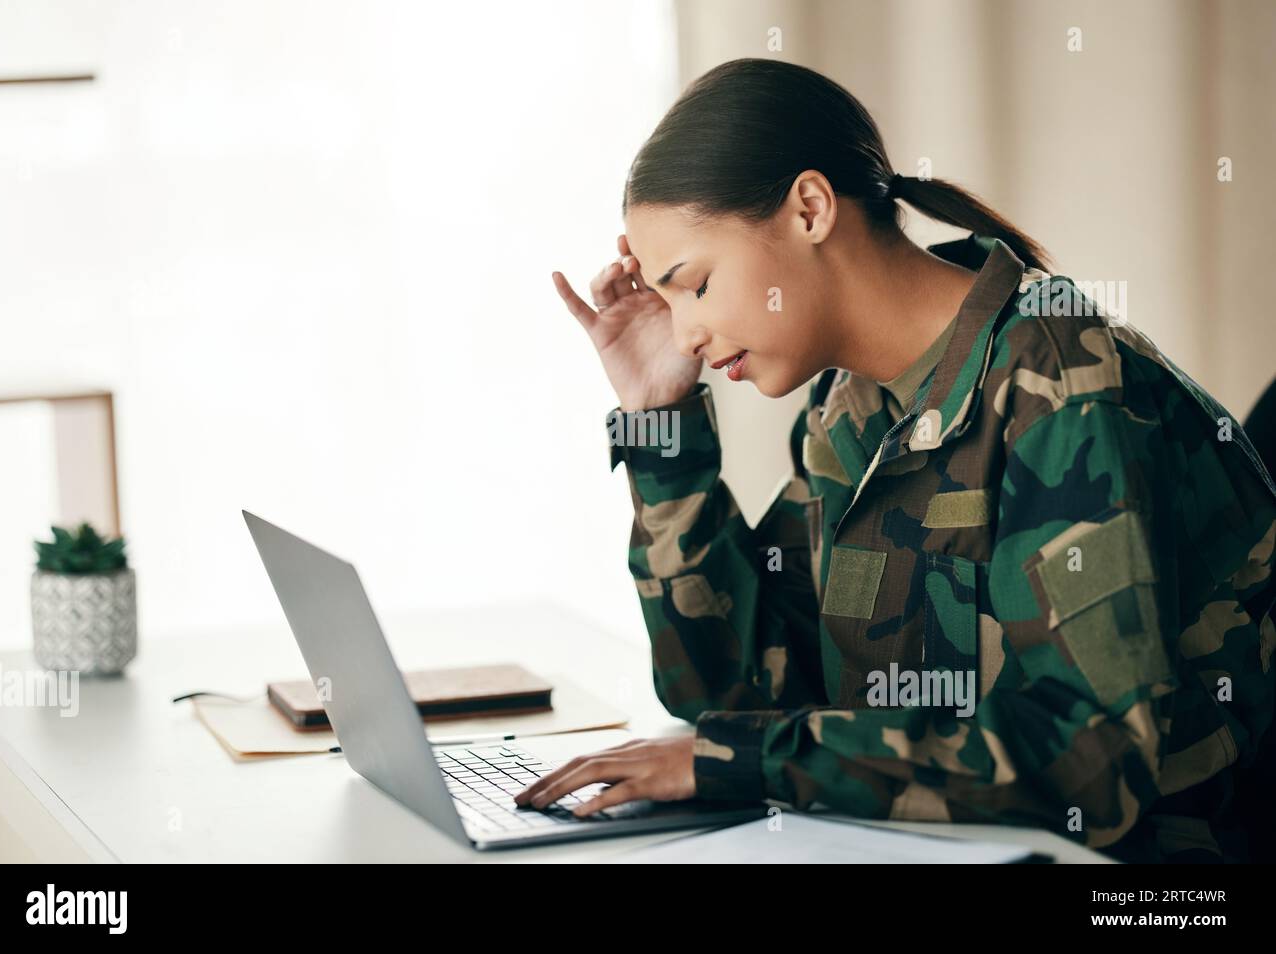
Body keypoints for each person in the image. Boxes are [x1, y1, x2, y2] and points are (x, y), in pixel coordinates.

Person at [519, 57, 1276, 862]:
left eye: (696, 286)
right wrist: (659, 427)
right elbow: (736, 695)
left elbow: (1098, 757)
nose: (685, 338)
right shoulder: (849, 407)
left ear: (810, 209)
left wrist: (753, 759)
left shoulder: (1063, 383)